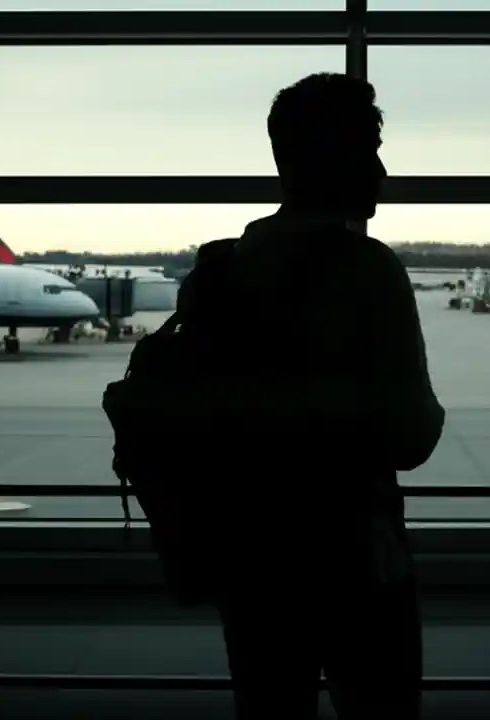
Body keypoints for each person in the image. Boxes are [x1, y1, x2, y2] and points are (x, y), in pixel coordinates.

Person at [182, 72, 445, 719]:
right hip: (357, 559)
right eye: (369, 148)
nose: (382, 169)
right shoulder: (370, 271)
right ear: (334, 157)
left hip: (252, 562)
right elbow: (412, 436)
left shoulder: (217, 272)